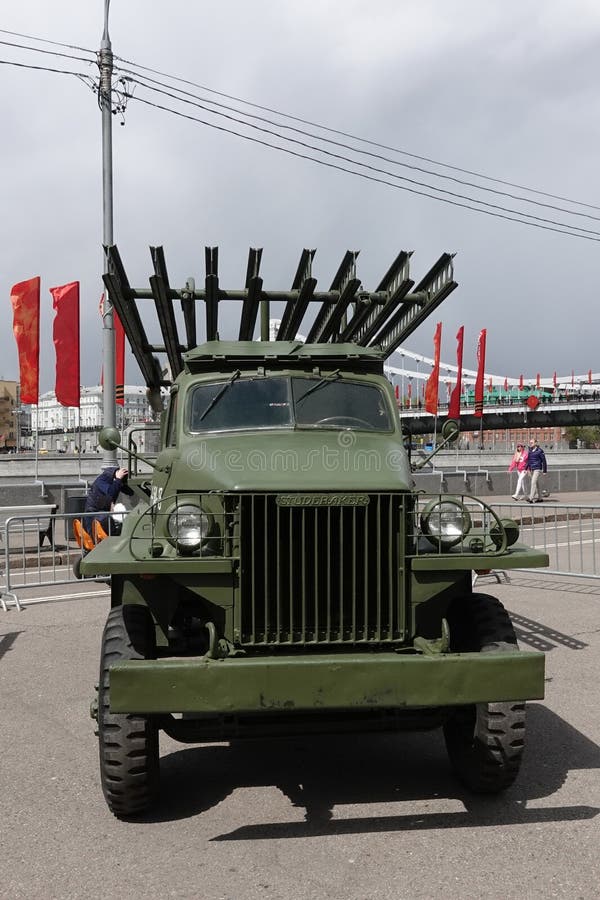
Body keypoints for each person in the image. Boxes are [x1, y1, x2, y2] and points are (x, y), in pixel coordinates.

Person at [83, 466, 134, 537]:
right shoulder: (102, 480)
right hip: (93, 512)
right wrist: (119, 479)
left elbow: (130, 491)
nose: (121, 484)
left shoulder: (115, 481)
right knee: (106, 526)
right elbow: (111, 492)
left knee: (116, 525)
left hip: (103, 511)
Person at [526, 438, 547, 502]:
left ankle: (531, 498)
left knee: (533, 482)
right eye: (530, 443)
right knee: (536, 484)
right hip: (532, 469)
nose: (530, 444)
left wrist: (544, 470)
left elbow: (544, 461)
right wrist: (527, 469)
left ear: (535, 443)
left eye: (532, 443)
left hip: (537, 469)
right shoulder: (530, 451)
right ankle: (540, 498)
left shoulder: (540, 451)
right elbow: (529, 460)